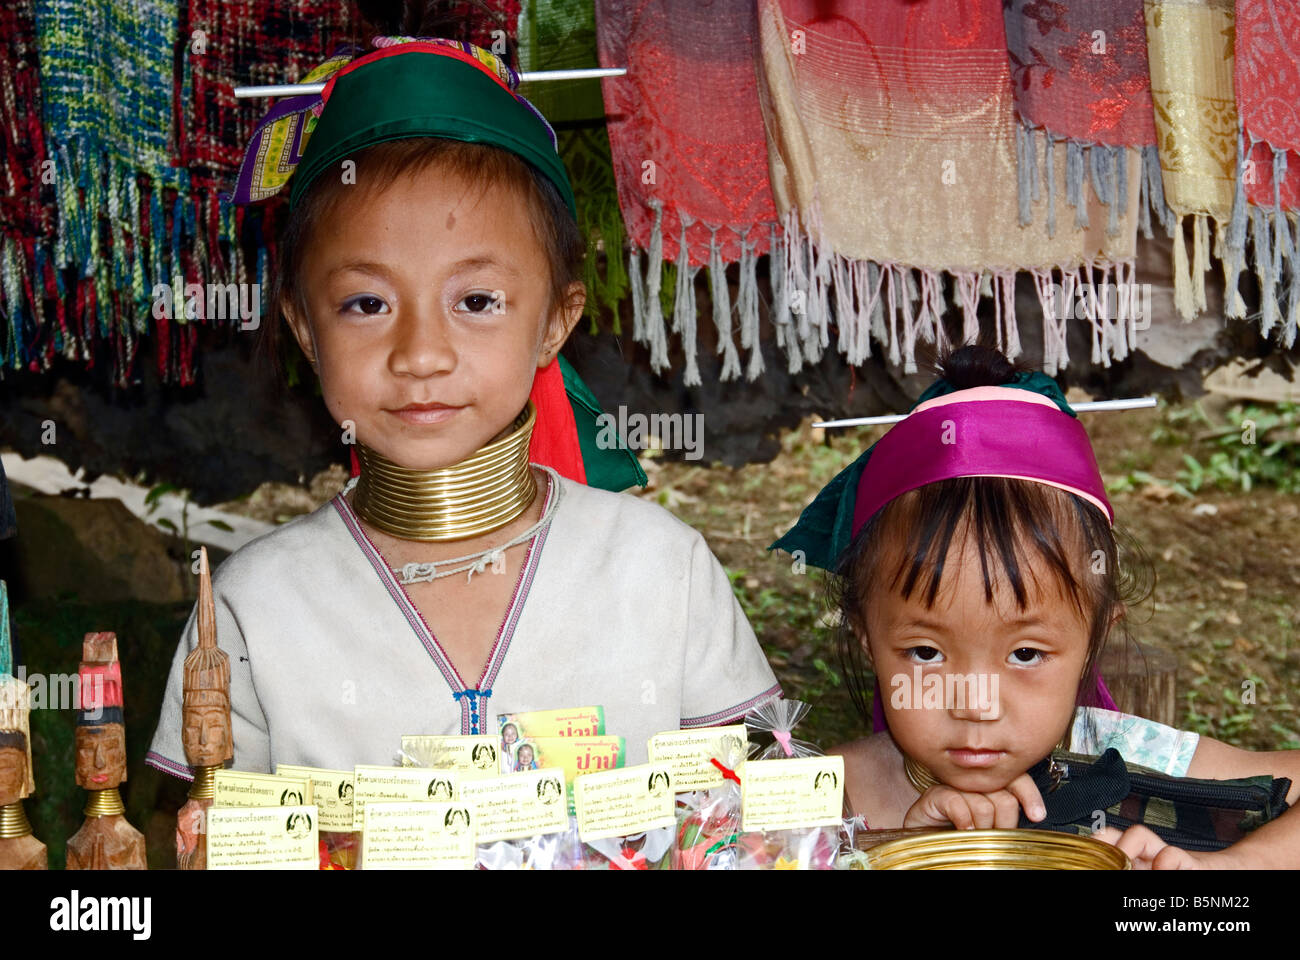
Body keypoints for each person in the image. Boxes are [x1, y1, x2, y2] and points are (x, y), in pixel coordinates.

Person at [144, 17, 778, 787]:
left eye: (477, 299)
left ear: (554, 322)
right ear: (305, 332)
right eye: (366, 305)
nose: (420, 355)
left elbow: (744, 819)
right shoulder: (252, 609)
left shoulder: (660, 571)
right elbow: (208, 829)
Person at [772, 344, 1300, 868]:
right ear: (867, 638)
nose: (976, 705)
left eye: (1025, 654)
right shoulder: (826, 798)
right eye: (926, 652)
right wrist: (895, 852)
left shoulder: (1137, 762)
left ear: (1095, 637)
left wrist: (1227, 867)